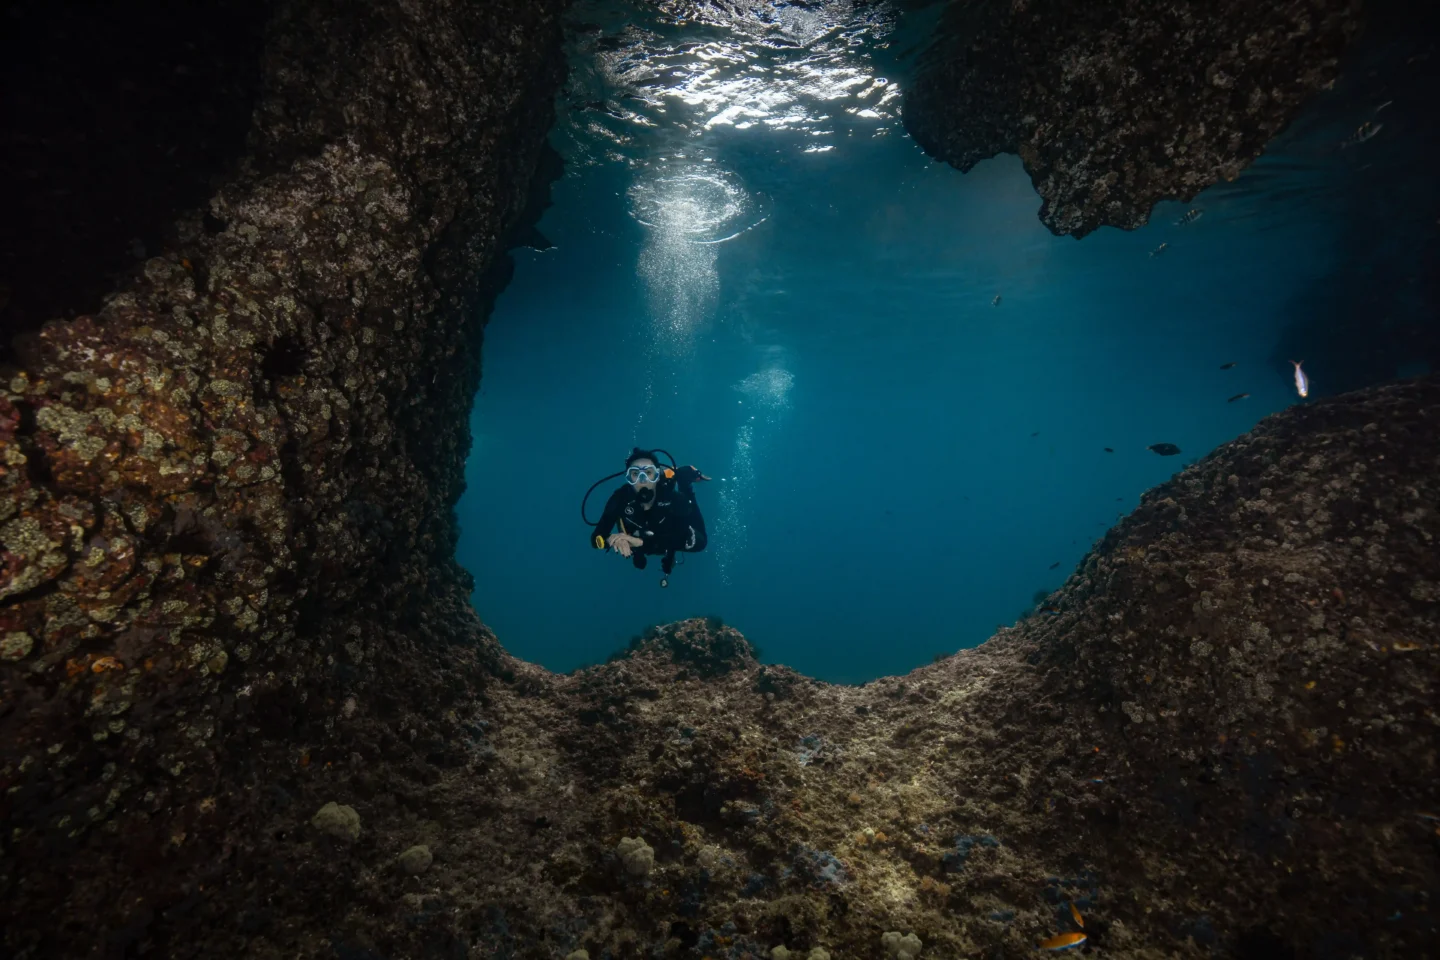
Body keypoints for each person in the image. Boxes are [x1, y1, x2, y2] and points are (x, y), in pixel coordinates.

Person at [590, 448, 708, 584]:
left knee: (696, 539)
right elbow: (595, 539)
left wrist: (642, 543)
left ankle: (683, 480)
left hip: (666, 536)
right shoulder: (620, 498)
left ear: (656, 476)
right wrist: (610, 540)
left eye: (648, 473)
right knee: (639, 562)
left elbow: (696, 541)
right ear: (628, 478)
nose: (642, 480)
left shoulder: (671, 497)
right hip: (641, 538)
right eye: (635, 474)